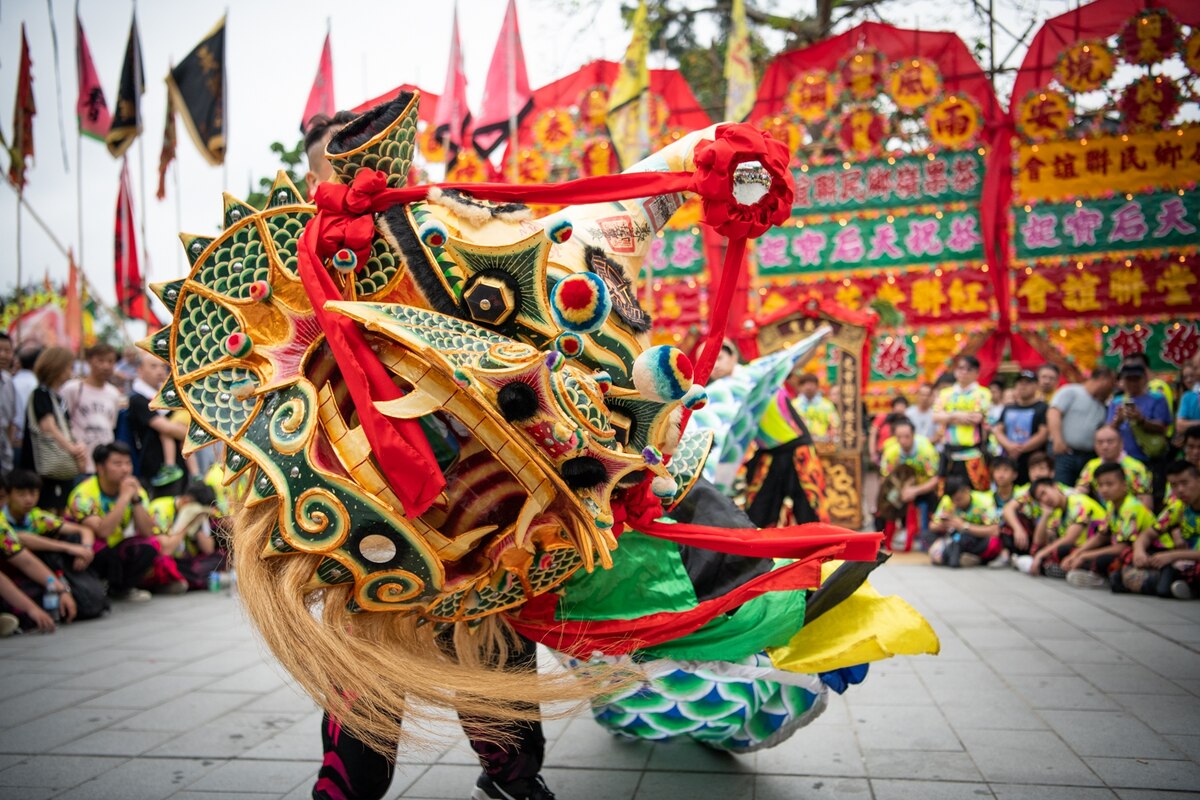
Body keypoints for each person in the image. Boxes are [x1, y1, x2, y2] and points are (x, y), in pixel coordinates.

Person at [66, 442, 185, 600]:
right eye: (117, 463)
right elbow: (102, 532)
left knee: (151, 545)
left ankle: (121, 589)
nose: (125, 469)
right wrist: (124, 498)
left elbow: (148, 532)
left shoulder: (135, 490)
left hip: (115, 547)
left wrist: (135, 500)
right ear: (100, 468)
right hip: (89, 552)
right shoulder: (83, 494)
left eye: (128, 463)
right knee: (103, 550)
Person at [1063, 462, 1155, 590]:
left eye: (1110, 484)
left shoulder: (1131, 507)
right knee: (1069, 551)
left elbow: (1123, 547)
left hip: (1148, 552)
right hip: (1123, 548)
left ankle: (1102, 579)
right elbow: (1101, 536)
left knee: (1103, 559)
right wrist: (1076, 554)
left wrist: (1084, 556)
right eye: (1100, 485)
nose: (1104, 489)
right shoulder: (1112, 505)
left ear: (1124, 485)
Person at [1118, 461, 1200, 599]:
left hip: (1190, 560)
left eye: (1185, 483)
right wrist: (1139, 552)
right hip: (1179, 560)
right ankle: (1169, 583)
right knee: (1127, 553)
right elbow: (1147, 534)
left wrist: (1173, 555)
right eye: (1174, 485)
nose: (1180, 490)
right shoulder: (1177, 507)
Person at [18, 347, 86, 512]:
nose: (72, 371)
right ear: (58, 367)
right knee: (49, 508)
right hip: (44, 466)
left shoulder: (56, 396)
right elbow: (48, 426)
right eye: (69, 366)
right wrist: (72, 449)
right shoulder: (41, 393)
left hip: (56, 467)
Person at [1018, 479, 1107, 578]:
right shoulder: (1058, 512)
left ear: (1055, 487)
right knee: (1043, 552)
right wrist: (1045, 515)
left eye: (1044, 493)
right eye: (1040, 500)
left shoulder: (1078, 502)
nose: (1045, 499)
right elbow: (1038, 542)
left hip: (1097, 549)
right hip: (1079, 550)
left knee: (1061, 550)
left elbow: (1069, 539)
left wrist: (1040, 554)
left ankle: (1090, 574)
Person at [148, 480, 226, 590]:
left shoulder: (199, 514)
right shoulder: (160, 508)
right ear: (185, 501)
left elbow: (208, 549)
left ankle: (187, 579)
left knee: (219, 557)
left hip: (185, 560)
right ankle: (173, 582)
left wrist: (198, 522)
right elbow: (166, 550)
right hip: (167, 558)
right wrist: (186, 522)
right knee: (164, 563)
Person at [61, 343, 125, 474]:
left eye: (110, 361)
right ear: (90, 361)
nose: (106, 366)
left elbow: (111, 425)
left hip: (104, 464)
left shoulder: (113, 393)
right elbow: (62, 422)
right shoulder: (72, 389)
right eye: (100, 361)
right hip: (78, 460)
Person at [1048, 365, 1115, 487]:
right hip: (1066, 454)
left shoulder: (1102, 406)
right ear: (1103, 379)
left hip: (1088, 458)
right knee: (1062, 490)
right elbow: (1053, 413)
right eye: (1111, 384)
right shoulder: (1072, 391)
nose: (1112, 389)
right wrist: (1057, 440)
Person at [129, 356, 188, 494]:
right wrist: (188, 432)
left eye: (163, 366)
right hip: (155, 470)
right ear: (140, 370)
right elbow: (166, 428)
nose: (160, 371)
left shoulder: (170, 397)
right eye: (153, 366)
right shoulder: (138, 399)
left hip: (181, 466)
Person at [877, 417, 939, 545]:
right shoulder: (891, 452)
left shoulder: (926, 450)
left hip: (923, 490)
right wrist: (897, 492)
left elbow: (936, 479)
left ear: (913, 435)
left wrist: (915, 491)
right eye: (899, 437)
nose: (903, 441)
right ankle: (884, 540)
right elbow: (884, 479)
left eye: (907, 436)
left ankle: (927, 539)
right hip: (899, 491)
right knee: (881, 505)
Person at [932, 355, 991, 489]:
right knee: (947, 493)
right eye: (961, 368)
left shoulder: (982, 393)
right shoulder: (946, 393)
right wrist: (958, 414)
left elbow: (975, 418)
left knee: (976, 491)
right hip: (949, 452)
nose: (964, 372)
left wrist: (948, 416)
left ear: (976, 373)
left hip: (972, 453)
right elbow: (935, 416)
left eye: (969, 369)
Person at [1106, 363, 1171, 469]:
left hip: (1150, 458)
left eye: (1136, 379)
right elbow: (1108, 431)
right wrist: (1118, 421)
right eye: (1128, 379)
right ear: (1122, 381)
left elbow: (1163, 428)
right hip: (1123, 459)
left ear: (1144, 379)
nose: (1132, 383)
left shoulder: (1157, 399)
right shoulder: (1116, 402)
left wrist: (1141, 420)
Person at [927, 476, 1002, 567]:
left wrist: (964, 526)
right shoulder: (947, 501)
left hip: (977, 538)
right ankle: (959, 556)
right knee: (928, 538)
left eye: (959, 499)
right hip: (954, 538)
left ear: (967, 490)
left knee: (994, 544)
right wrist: (945, 524)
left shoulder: (983, 501)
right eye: (953, 500)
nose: (956, 503)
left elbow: (995, 531)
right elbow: (932, 525)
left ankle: (969, 557)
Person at [1000, 451, 1061, 561]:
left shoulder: (1062, 492)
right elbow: (1008, 509)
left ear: (1052, 472)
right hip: (1037, 533)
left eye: (1041, 469)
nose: (1036, 474)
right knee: (1010, 522)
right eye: (1033, 469)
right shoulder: (1027, 492)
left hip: (1057, 533)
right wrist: (1018, 529)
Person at [1075, 424, 1153, 509]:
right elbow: (1080, 490)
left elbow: (1145, 501)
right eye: (1100, 442)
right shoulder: (1091, 465)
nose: (1105, 446)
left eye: (1110, 442)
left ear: (1121, 443)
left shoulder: (1137, 468)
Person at [994, 370, 1048, 484]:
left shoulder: (1043, 407)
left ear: (1036, 386)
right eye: (1020, 383)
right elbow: (998, 430)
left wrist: (1021, 448)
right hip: (1010, 459)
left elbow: (1043, 433)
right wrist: (1009, 446)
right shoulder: (1008, 407)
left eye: (1027, 383)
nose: (1023, 386)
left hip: (1033, 460)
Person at [793, 372, 840, 443]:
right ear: (800, 387)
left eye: (811, 384)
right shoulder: (794, 405)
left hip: (824, 443)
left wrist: (832, 433)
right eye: (805, 384)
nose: (808, 387)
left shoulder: (827, 405)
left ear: (817, 386)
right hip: (800, 443)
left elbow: (835, 424)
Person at [868, 396, 908, 468]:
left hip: (900, 456)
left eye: (902, 406)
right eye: (898, 406)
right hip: (882, 454)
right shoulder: (883, 418)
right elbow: (873, 434)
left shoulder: (907, 422)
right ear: (893, 407)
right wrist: (872, 453)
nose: (900, 409)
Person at [0, 333, 16, 472]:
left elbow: (11, 421)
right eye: (0, 350)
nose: (3, 355)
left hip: (4, 455)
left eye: (8, 351)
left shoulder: (9, 381)